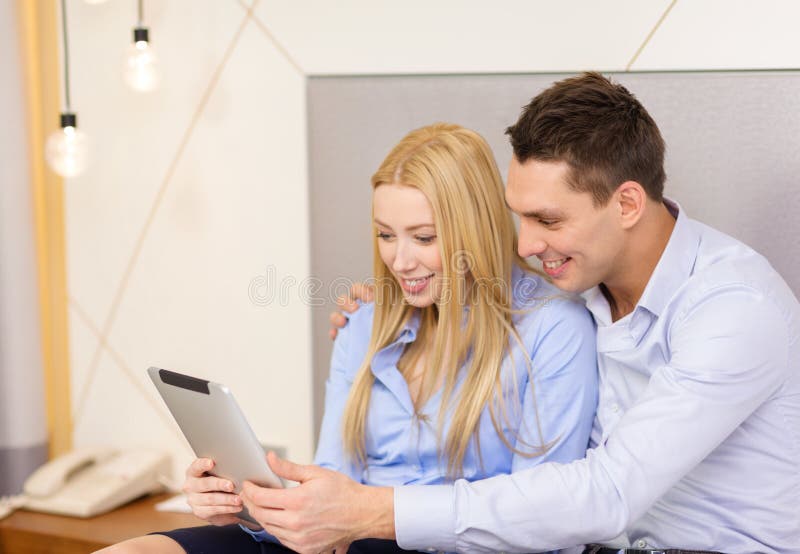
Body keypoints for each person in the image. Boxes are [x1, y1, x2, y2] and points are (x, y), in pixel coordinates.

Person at [238, 73, 800, 554]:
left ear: (626, 203)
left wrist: (377, 512)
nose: (525, 245)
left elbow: (609, 492)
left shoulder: (731, 309)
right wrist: (383, 312)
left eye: (548, 221)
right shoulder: (579, 287)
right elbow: (482, 295)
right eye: (518, 217)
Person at [99, 123, 598, 554]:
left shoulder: (553, 329)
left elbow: (544, 520)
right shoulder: (363, 324)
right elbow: (332, 477)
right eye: (386, 235)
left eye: (424, 238)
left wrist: (365, 514)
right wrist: (250, 502)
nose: (399, 261)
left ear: (476, 228)